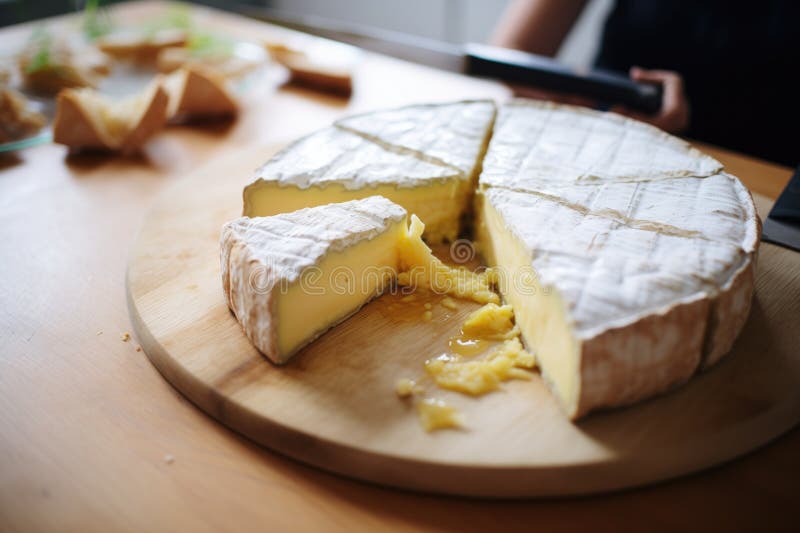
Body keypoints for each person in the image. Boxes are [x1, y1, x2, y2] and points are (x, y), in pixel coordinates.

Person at [492, 0, 798, 166]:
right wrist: (551, 90)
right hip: (597, 146)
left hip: (758, 174)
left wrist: (696, 117)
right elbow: (508, 57)